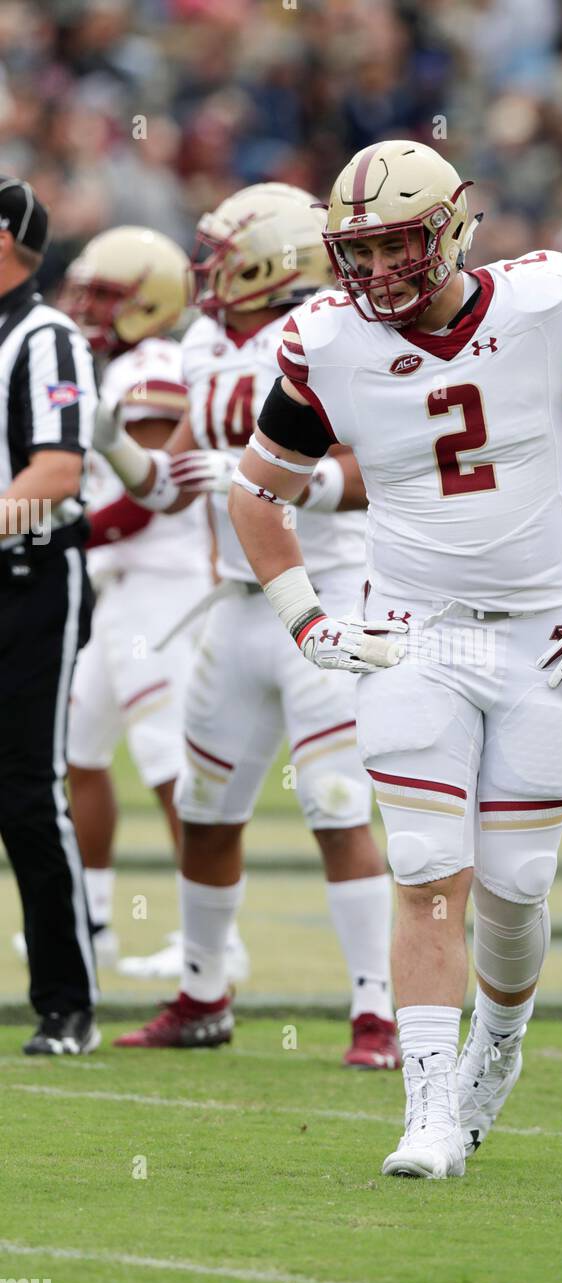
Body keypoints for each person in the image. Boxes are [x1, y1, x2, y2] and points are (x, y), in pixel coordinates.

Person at [227, 141, 562, 1176]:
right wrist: (309, 620)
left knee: (517, 886)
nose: (378, 270)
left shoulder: (544, 303)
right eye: (361, 250)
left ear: (450, 229)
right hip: (415, 631)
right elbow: (258, 492)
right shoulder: (325, 338)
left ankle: (501, 1046)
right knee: (429, 866)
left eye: (397, 244)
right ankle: (427, 1110)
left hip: (541, 632)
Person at [92, 184, 399, 1068]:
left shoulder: (333, 332)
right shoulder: (205, 347)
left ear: (271, 258)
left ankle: (374, 1016)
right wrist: (114, 442)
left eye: (223, 255)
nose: (208, 273)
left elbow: (376, 467)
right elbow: (161, 488)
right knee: (205, 809)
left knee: (337, 804)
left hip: (330, 594)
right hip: (235, 605)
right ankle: (202, 992)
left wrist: (265, 476)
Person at [32, 227, 214, 971]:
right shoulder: (113, 364)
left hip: (164, 588)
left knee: (170, 764)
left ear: (152, 302)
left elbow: (149, 499)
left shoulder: (156, 363)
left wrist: (65, 536)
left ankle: (210, 943)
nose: (87, 308)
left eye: (105, 295)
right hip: (122, 589)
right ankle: (95, 921)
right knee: (78, 750)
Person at [0, 176, 100, 1054]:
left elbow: (56, 475)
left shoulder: (47, 337)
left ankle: (66, 1003)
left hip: (29, 582)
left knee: (26, 795)